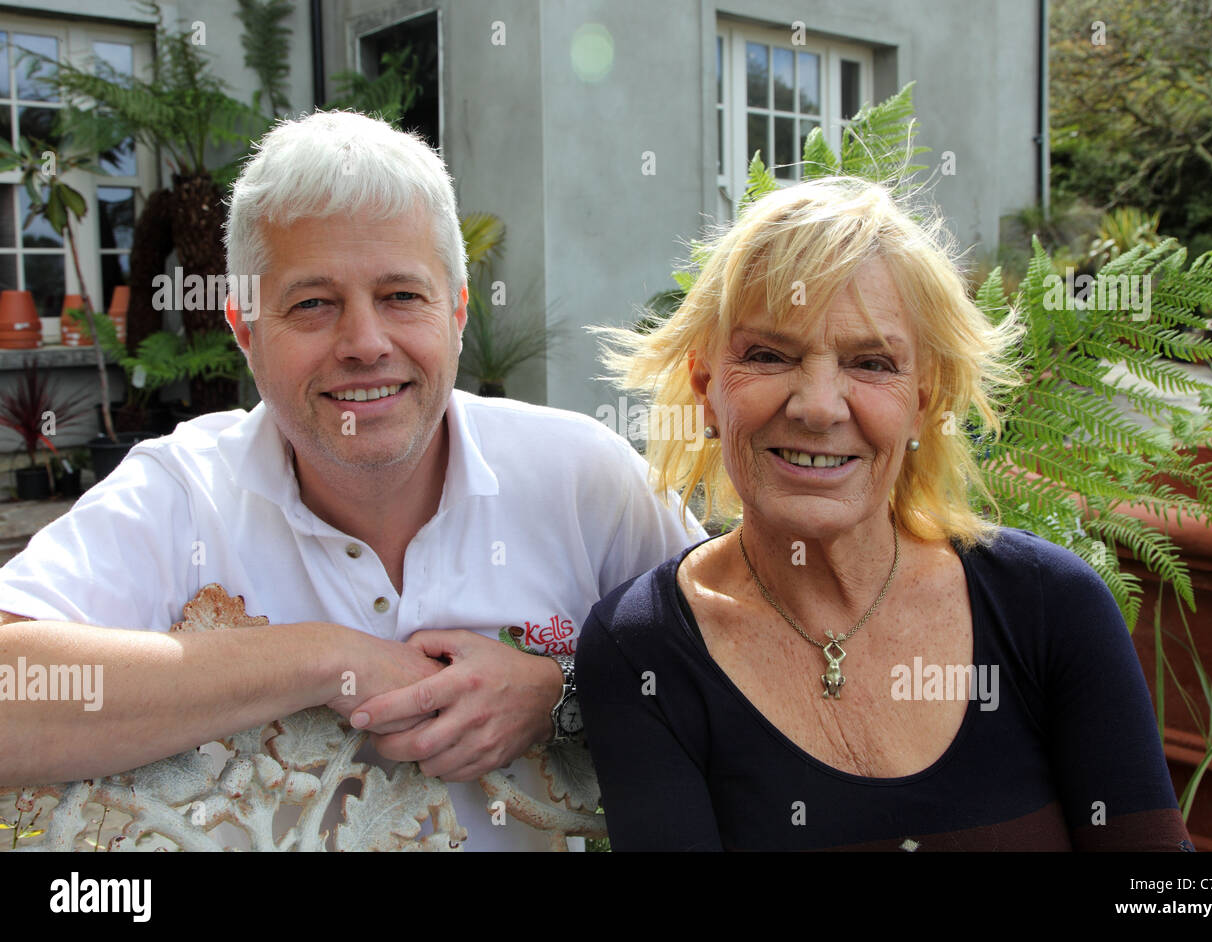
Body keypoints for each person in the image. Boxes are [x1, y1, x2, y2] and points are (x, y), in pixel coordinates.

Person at [0, 110, 705, 851]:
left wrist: (558, 691)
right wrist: (326, 658)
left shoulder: (579, 475)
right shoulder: (183, 493)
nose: (365, 344)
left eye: (402, 295)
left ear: (457, 311)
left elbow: (739, 664)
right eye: (312, 304)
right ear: (245, 331)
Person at [576, 176, 1194, 851]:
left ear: (924, 402)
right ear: (704, 391)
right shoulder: (643, 651)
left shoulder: (1049, 606)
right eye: (768, 355)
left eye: (870, 363)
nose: (818, 406)